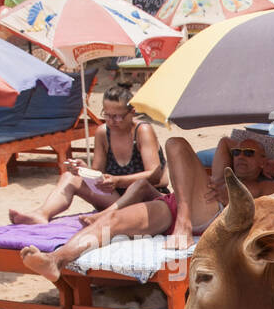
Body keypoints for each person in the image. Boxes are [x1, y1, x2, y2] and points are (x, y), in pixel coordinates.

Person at [18, 135, 274, 283]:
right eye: (239, 153)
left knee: (176, 143)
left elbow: (266, 211)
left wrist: (240, 188)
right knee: (113, 223)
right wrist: (235, 162)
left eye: (249, 153)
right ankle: (57, 259)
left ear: (263, 162)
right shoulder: (223, 174)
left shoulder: (265, 187)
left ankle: (184, 223)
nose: (241, 157)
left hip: (210, 212)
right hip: (179, 206)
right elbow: (224, 141)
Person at [9, 84, 165, 225]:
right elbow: (98, 174)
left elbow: (154, 175)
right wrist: (84, 171)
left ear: (132, 112)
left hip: (144, 199)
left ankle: (104, 216)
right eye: (107, 115)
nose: (111, 121)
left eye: (117, 116)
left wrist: (119, 180)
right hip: (115, 198)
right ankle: (41, 214)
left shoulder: (142, 131)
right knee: (69, 178)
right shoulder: (103, 132)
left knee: (138, 185)